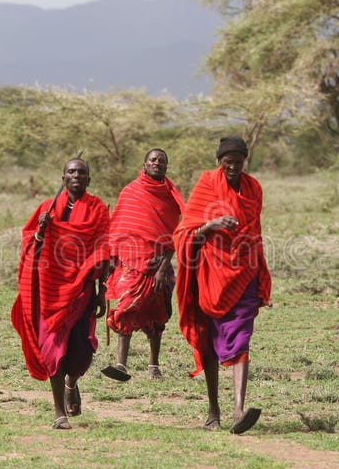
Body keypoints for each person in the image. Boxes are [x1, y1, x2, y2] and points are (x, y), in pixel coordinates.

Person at [173, 136, 271, 435]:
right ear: (219, 162)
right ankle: (213, 408)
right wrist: (211, 225)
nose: (232, 166)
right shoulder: (207, 185)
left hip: (245, 271)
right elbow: (184, 232)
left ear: (245, 161)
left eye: (237, 161)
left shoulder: (253, 188)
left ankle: (239, 410)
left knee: (241, 337)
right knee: (209, 342)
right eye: (227, 161)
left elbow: (254, 228)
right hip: (210, 274)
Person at [11, 157, 111, 430]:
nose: (76, 175)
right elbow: (30, 245)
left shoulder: (97, 209)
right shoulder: (47, 208)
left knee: (80, 353)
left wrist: (103, 291)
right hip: (49, 291)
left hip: (81, 291)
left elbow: (103, 250)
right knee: (53, 348)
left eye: (82, 172)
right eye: (71, 171)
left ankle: (72, 382)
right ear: (63, 178)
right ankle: (59, 413)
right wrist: (41, 233)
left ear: (88, 180)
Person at [104, 149, 184, 380]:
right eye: (153, 160)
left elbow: (174, 235)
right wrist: (111, 259)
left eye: (162, 161)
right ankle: (121, 365)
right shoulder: (131, 192)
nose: (157, 163)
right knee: (126, 307)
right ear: (145, 164)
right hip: (131, 263)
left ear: (166, 166)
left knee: (157, 313)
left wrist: (161, 269)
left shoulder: (171, 196)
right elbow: (118, 227)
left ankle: (154, 366)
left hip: (161, 265)